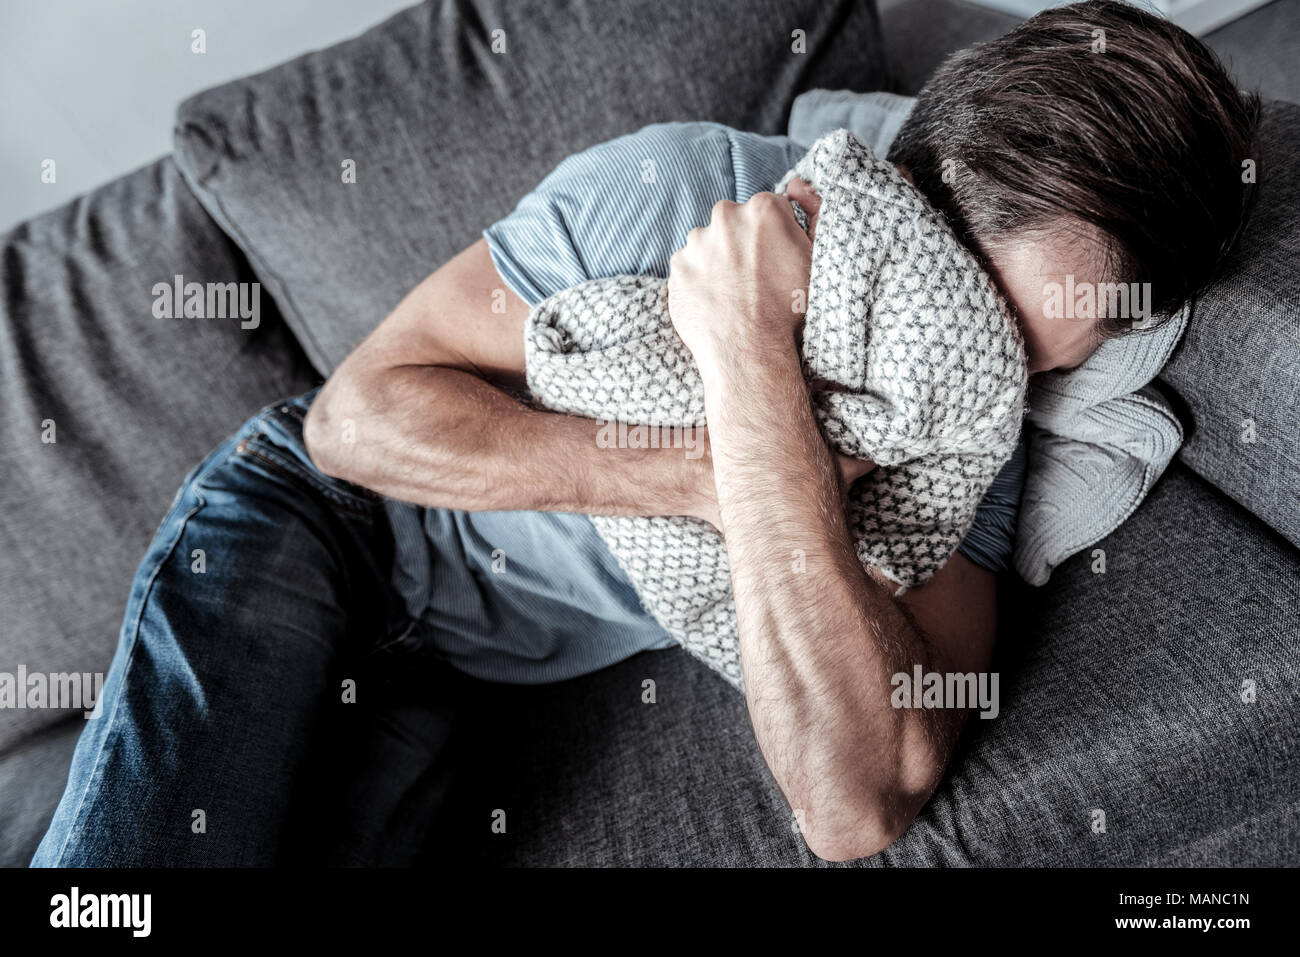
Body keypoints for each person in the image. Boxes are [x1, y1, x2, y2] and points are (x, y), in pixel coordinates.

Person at [33, 0, 1257, 866]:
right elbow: (357, 421)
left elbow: (858, 806)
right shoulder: (671, 191)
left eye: (1038, 359)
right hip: (319, 523)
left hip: (469, 678)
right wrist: (710, 472)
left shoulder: (969, 428)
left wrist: (748, 367)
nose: (979, 374)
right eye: (975, 317)